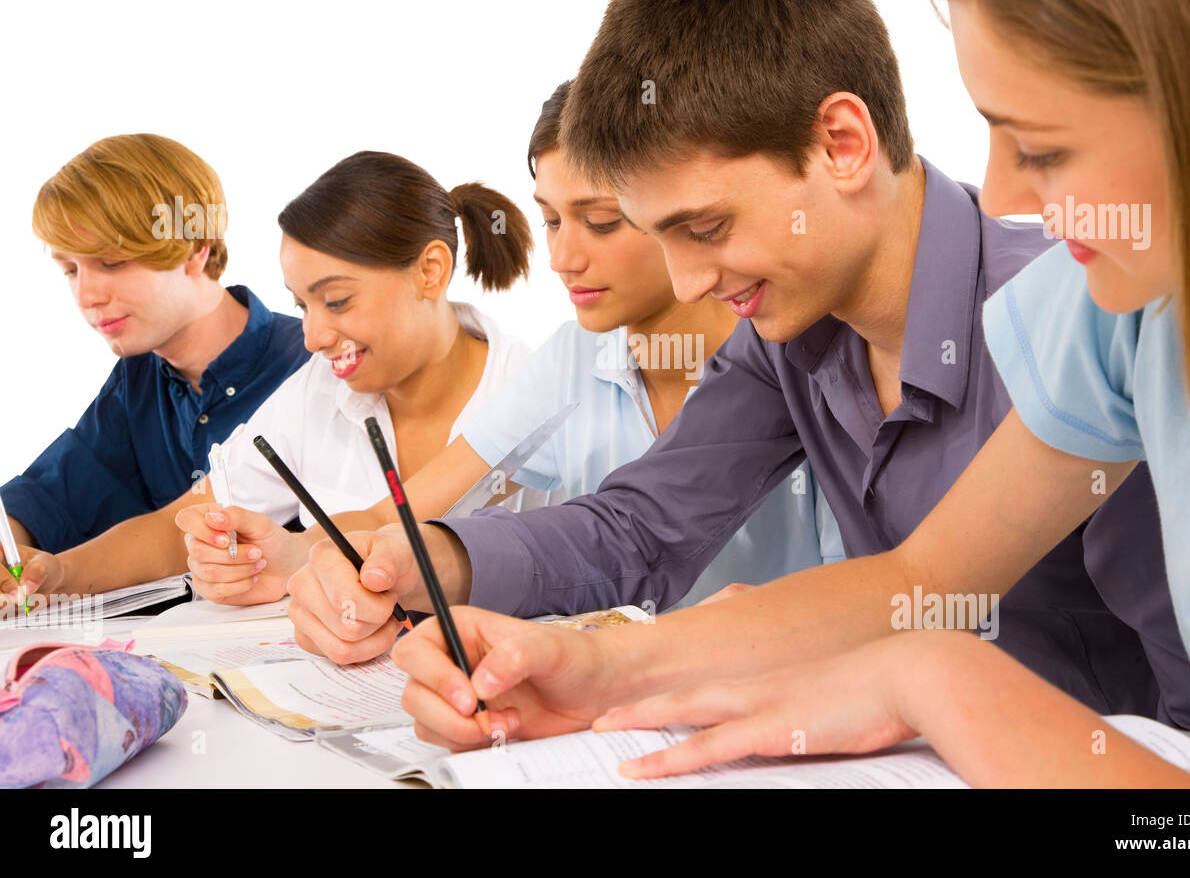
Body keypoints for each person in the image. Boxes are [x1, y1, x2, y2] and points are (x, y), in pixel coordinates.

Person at [401, 0, 1190, 787]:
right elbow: (921, 579)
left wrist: (927, 679)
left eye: (1045, 147)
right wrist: (598, 666)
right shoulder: (1110, 313)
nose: (1002, 188)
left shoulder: (1087, 290)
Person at [259, 81, 843, 657]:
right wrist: (313, 562)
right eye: (553, 221)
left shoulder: (796, 348)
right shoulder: (573, 358)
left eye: (603, 221)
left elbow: (868, 593)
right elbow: (412, 513)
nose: (563, 260)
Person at [5, 150, 548, 605]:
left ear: (431, 271)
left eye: (337, 300)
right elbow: (186, 516)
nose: (312, 337)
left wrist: (294, 556)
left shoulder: (535, 391)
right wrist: (56, 576)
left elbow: (394, 524)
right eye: (303, 306)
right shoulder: (317, 385)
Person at [0, 133, 308, 583]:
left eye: (111, 263)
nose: (87, 295)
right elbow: (46, 499)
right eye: (70, 269)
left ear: (192, 249)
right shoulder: (138, 380)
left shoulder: (314, 362)